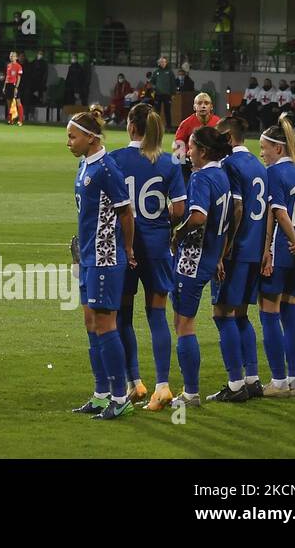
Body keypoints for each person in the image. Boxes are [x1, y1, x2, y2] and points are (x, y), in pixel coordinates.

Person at [111, 104, 187, 410]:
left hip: (125, 248)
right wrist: (158, 217)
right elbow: (180, 210)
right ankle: (163, 386)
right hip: (157, 249)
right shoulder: (168, 163)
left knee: (123, 315)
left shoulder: (114, 160)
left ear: (131, 127)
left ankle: (134, 382)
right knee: (157, 315)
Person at [65, 111, 137, 419]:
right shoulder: (84, 165)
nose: (68, 142)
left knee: (107, 325)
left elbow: (126, 213)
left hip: (105, 258)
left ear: (91, 138)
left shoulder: (108, 169)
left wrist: (129, 247)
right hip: (87, 257)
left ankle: (121, 398)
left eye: (72, 136)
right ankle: (101, 393)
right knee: (90, 324)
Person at [168, 125, 234, 409]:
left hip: (193, 260)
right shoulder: (222, 175)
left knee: (183, 324)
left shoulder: (201, 178)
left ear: (203, 151)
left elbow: (197, 217)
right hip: (210, 258)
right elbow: (230, 217)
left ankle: (190, 392)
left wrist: (177, 234)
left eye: (192, 147)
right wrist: (219, 255)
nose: (188, 151)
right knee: (189, 322)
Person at [210, 117, 269, 402]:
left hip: (236, 251)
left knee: (222, 315)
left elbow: (236, 207)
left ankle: (235, 385)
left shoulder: (230, 164)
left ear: (229, 138)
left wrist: (223, 250)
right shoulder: (260, 166)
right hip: (255, 250)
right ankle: (253, 379)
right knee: (242, 314)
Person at [257, 114, 295, 398]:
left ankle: (278, 381)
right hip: (294, 255)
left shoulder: (274, 173)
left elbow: (278, 213)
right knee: (291, 314)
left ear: (278, 148)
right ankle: (294, 379)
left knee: (269, 314)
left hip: (280, 251)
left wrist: (274, 247)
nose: (261, 154)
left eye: (264, 148)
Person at [172, 91, 222, 182]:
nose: (203, 106)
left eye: (206, 103)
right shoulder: (186, 124)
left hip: (213, 165)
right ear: (194, 107)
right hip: (191, 167)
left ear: (211, 107)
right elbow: (178, 146)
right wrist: (187, 163)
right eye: (199, 103)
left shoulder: (218, 123)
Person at [150, 56, 175, 129]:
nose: (162, 63)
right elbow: (152, 82)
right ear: (159, 63)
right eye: (161, 62)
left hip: (167, 94)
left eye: (164, 62)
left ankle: (169, 126)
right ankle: (156, 126)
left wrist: (173, 93)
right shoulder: (156, 71)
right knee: (157, 111)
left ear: (166, 63)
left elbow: (173, 83)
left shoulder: (170, 72)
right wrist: (154, 88)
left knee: (167, 111)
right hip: (158, 94)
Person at [3, 51, 24, 126]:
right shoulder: (8, 65)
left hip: (14, 85)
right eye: (10, 56)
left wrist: (16, 87)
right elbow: (7, 77)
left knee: (18, 102)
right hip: (8, 85)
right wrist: (4, 86)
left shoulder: (19, 66)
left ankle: (20, 120)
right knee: (9, 103)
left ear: (16, 57)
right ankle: (10, 119)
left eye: (13, 56)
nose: (11, 57)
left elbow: (19, 78)